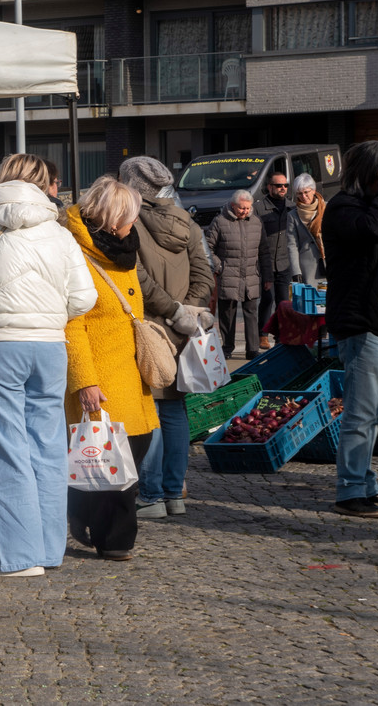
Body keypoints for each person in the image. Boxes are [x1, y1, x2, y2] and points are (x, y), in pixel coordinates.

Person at [0, 154, 97, 577]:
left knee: (6, 447)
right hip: (49, 347)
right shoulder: (59, 232)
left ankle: (18, 556)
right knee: (48, 448)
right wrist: (49, 314)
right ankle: (49, 549)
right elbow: (84, 298)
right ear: (45, 183)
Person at [63, 175, 160, 562]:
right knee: (111, 463)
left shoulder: (122, 252)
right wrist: (85, 380)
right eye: (130, 217)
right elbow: (73, 324)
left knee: (134, 450)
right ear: (111, 217)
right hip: (101, 375)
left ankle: (82, 512)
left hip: (130, 371)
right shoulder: (77, 254)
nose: (134, 224)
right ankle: (115, 539)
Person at [117, 157, 214, 520]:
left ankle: (152, 494)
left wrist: (171, 311)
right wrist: (188, 311)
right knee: (174, 411)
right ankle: (175, 494)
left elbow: (136, 276)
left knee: (150, 411)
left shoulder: (128, 220)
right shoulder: (186, 220)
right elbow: (206, 273)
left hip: (146, 327)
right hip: (182, 329)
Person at [324, 140, 378, 519]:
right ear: (371, 172)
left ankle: (366, 482)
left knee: (377, 410)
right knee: (360, 413)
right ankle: (349, 491)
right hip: (360, 324)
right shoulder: (344, 208)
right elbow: (373, 230)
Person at [206, 189, 264, 360]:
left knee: (251, 313)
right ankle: (227, 347)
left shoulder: (256, 222)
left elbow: (263, 250)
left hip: (250, 275)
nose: (245, 211)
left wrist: (265, 275)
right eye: (241, 208)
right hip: (228, 275)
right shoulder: (220, 221)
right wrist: (220, 266)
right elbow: (208, 248)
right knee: (227, 314)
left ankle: (252, 349)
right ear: (233, 206)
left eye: (248, 208)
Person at [255, 170, 293, 342]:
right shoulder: (259, 208)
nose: (283, 188)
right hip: (266, 263)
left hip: (284, 262)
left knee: (284, 302)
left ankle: (281, 335)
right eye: (279, 185)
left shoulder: (292, 207)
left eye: (285, 185)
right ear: (269, 187)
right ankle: (262, 335)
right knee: (267, 300)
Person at [287, 173, 326, 286]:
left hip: (329, 261)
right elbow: (292, 245)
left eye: (306, 192)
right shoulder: (292, 215)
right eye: (300, 193)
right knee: (311, 300)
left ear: (313, 190)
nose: (303, 197)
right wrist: (296, 271)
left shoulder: (326, 208)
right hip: (307, 266)